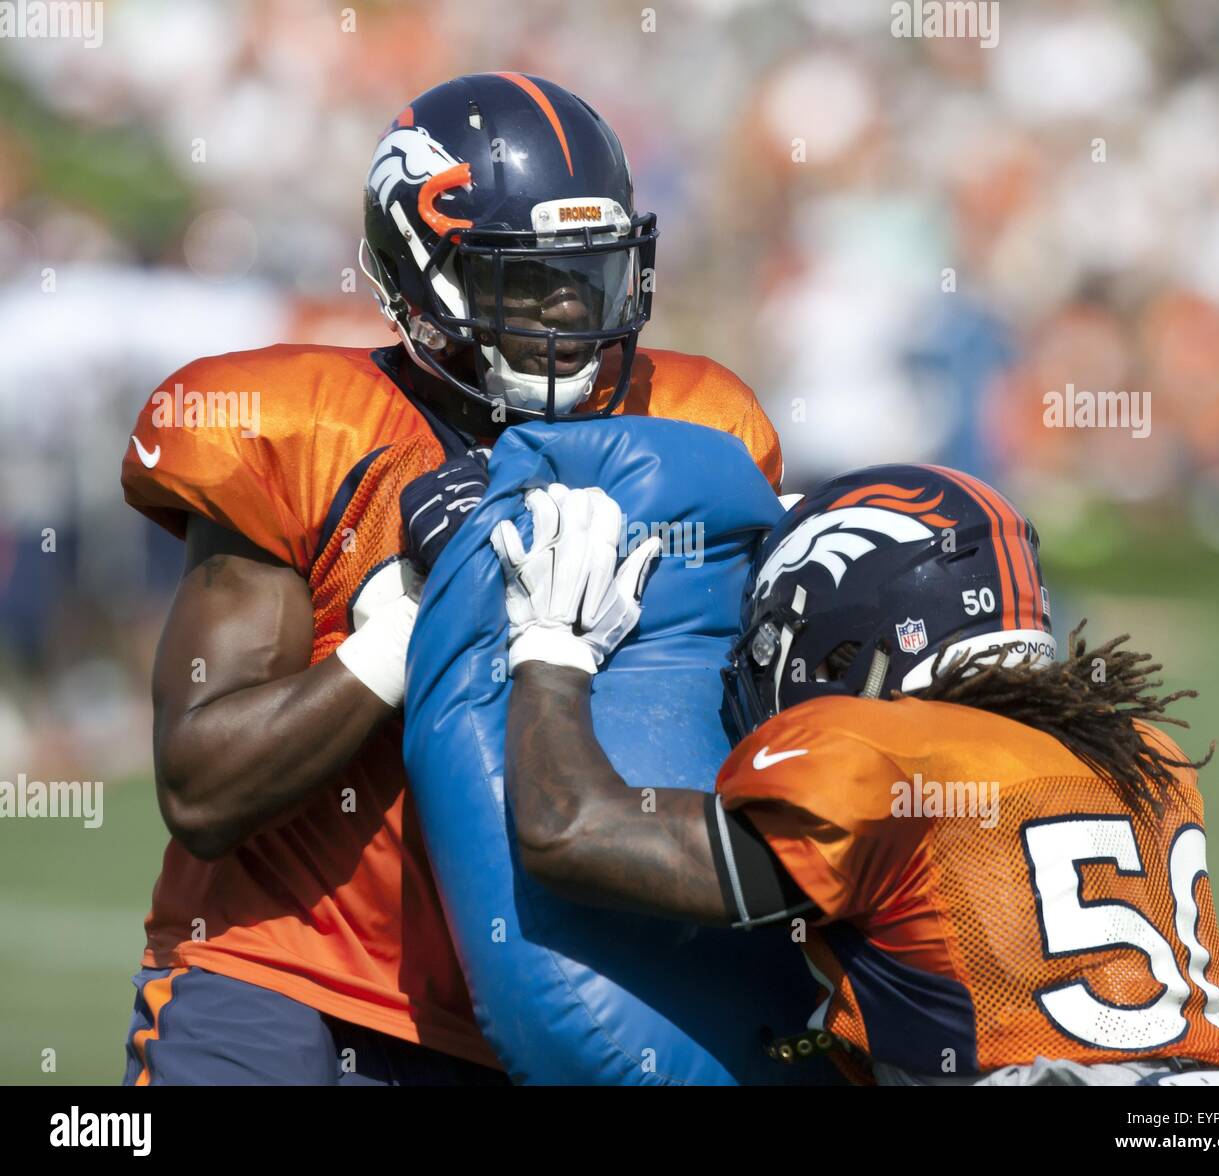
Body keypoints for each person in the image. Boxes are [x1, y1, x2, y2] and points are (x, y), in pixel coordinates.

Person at [119, 73, 782, 1086]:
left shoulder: (696, 424)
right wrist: (410, 632)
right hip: (288, 975)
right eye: (525, 282)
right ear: (416, 275)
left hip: (560, 994)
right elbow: (201, 787)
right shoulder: (300, 430)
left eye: (589, 275)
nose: (568, 313)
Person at [497, 467, 1219, 1086]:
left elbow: (569, 832)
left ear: (841, 644)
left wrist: (549, 651)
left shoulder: (880, 757)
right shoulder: (1141, 752)